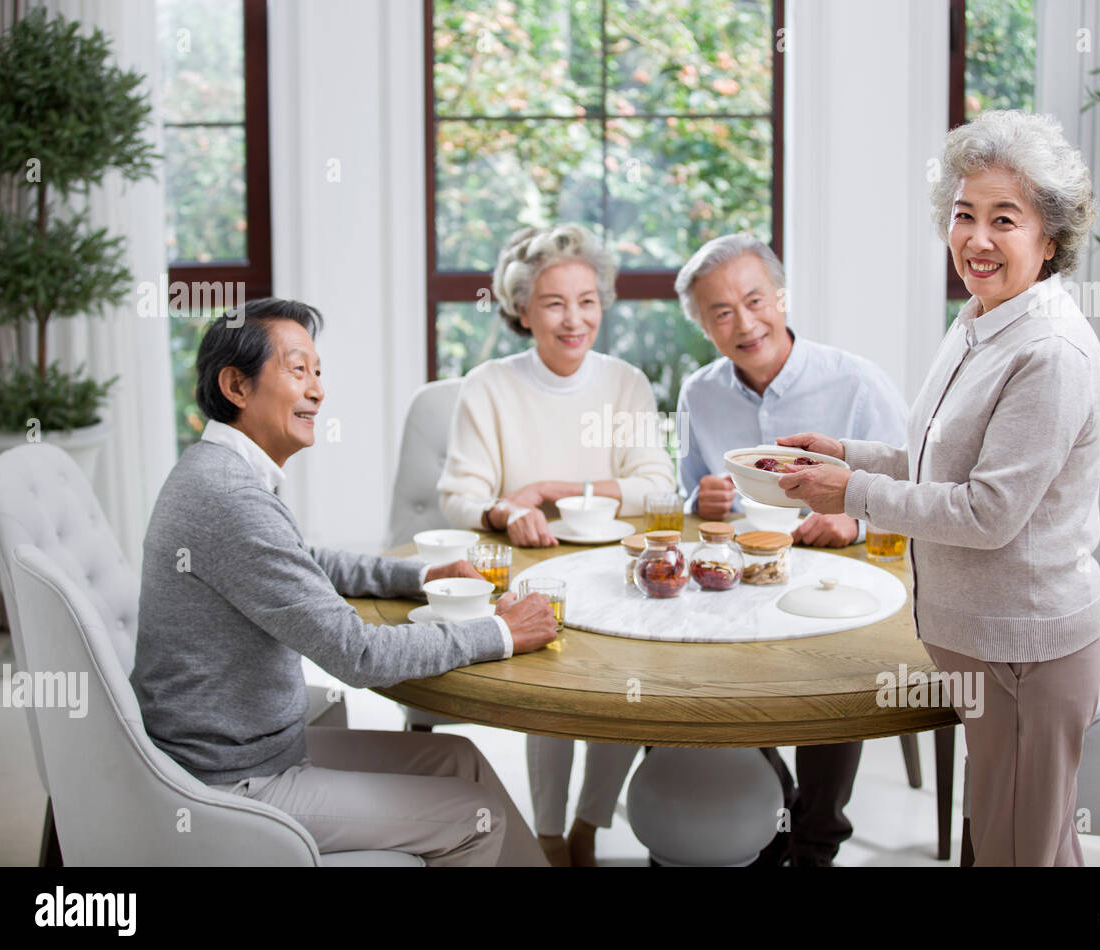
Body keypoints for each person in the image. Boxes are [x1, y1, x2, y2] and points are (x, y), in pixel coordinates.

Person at [777, 110, 1100, 866]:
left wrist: (851, 491)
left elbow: (987, 513)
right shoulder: (980, 321)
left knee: (1016, 854)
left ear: (1049, 239)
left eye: (1004, 219)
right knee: (1028, 848)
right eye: (964, 215)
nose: (977, 239)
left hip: (1025, 651)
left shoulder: (1047, 352)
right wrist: (844, 452)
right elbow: (938, 462)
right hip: (981, 644)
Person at [131, 298, 559, 866]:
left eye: (318, 372)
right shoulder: (230, 499)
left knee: (462, 758)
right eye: (297, 369)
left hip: (253, 752)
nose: (317, 390)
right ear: (236, 385)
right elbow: (359, 655)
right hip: (232, 784)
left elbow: (304, 559)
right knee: (476, 819)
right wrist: (499, 631)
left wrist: (419, 574)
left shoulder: (221, 472)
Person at [437, 224, 677, 865]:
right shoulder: (488, 385)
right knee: (553, 683)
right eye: (554, 303)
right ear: (522, 309)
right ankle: (546, 836)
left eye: (588, 300)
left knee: (627, 684)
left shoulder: (624, 382)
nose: (575, 319)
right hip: (533, 572)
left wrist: (552, 486)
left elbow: (658, 488)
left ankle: (586, 828)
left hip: (615, 574)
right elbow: (457, 494)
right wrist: (504, 508)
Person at [672, 234, 909, 866]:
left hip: (838, 578)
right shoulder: (699, 393)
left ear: (780, 296)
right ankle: (770, 807)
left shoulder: (856, 383)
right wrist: (705, 501)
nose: (745, 323)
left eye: (755, 300)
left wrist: (853, 524)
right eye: (721, 312)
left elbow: (916, 496)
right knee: (683, 659)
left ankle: (816, 834)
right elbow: (688, 495)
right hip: (743, 578)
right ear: (703, 326)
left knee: (834, 672)